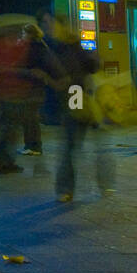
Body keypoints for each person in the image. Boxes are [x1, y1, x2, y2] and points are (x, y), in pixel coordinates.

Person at [47, 15, 113, 202]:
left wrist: (95, 60)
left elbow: (90, 67)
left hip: (79, 97)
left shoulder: (72, 45)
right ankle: (67, 189)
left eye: (51, 23)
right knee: (71, 144)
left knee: (78, 143)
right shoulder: (53, 47)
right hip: (71, 98)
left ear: (62, 25)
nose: (48, 28)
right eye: (45, 24)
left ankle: (101, 185)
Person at [0, 22, 61, 173]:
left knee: (28, 120)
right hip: (33, 89)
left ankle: (33, 147)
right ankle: (31, 147)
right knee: (28, 119)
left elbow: (27, 68)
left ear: (30, 34)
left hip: (30, 90)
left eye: (24, 34)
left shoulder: (34, 48)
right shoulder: (40, 47)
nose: (21, 37)